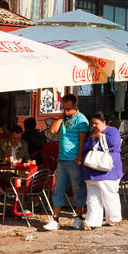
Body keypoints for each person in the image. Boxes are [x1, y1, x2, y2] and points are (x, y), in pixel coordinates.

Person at [43, 94, 89, 231]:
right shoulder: (63, 118)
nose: (66, 111)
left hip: (74, 159)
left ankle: (79, 217)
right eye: (64, 108)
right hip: (62, 159)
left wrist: (79, 157)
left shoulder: (82, 120)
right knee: (58, 189)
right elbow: (52, 131)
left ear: (76, 107)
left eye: (69, 109)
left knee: (77, 189)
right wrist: (61, 117)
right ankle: (55, 219)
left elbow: (82, 140)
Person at [80, 112, 123, 229]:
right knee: (92, 197)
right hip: (91, 172)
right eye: (92, 123)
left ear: (104, 122)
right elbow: (86, 146)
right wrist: (95, 136)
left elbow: (114, 143)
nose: (93, 126)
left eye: (96, 123)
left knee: (109, 195)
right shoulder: (91, 133)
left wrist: (100, 136)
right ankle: (92, 222)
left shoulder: (112, 131)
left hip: (108, 171)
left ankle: (114, 218)